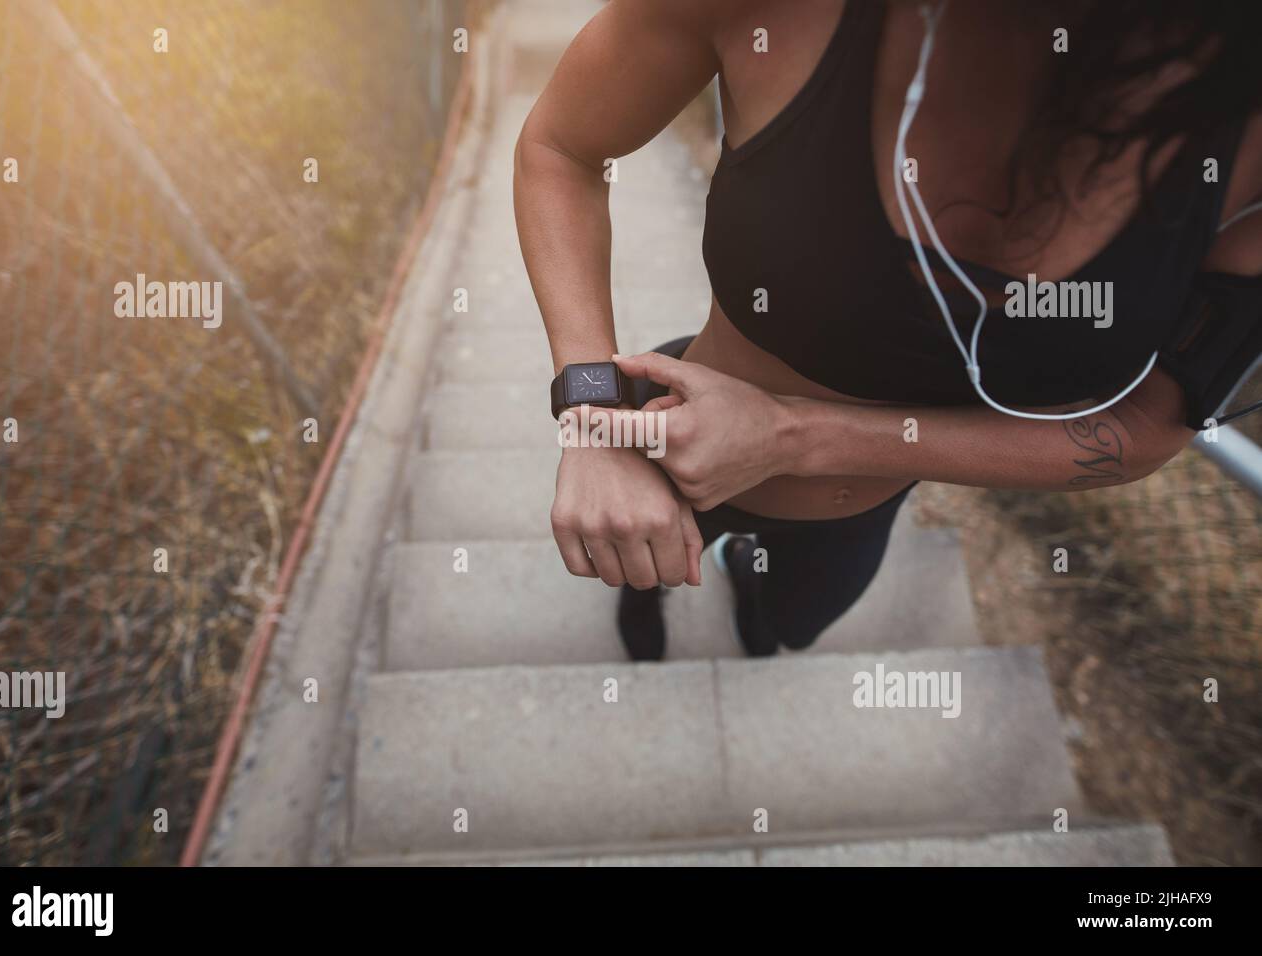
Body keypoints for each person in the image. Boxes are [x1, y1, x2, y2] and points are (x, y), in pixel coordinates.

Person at [513, 0, 1262, 661]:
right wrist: (592, 417)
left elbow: (1146, 426)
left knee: (791, 625)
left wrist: (788, 434)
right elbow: (560, 151)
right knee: (636, 559)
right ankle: (646, 591)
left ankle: (749, 576)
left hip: (856, 501)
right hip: (666, 437)